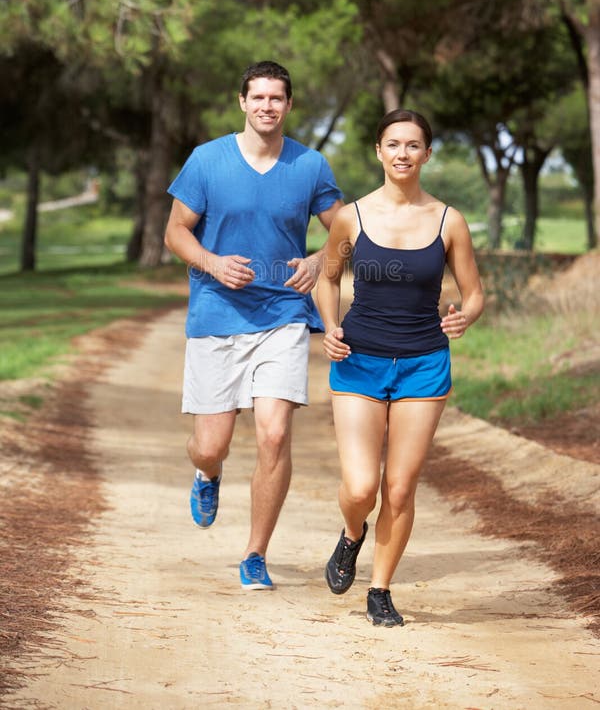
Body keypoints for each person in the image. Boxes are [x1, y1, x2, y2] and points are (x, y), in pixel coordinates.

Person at [164, 60, 343, 591]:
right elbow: (175, 233)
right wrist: (214, 263)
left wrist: (317, 262)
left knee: (274, 433)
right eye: (258, 97)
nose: (267, 106)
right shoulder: (206, 160)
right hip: (217, 315)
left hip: (282, 317)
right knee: (211, 443)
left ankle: (255, 553)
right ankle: (207, 473)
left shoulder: (310, 166)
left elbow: (347, 232)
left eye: (277, 98)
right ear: (242, 102)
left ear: (289, 105)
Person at [316, 108, 484, 626]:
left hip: (424, 364)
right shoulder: (352, 217)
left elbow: (475, 294)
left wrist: (464, 320)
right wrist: (330, 326)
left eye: (413, 145)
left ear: (427, 154)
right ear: (379, 151)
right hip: (359, 360)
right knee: (362, 488)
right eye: (393, 144)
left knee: (400, 488)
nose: (403, 154)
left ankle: (380, 589)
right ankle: (351, 534)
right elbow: (326, 279)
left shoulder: (447, 220)